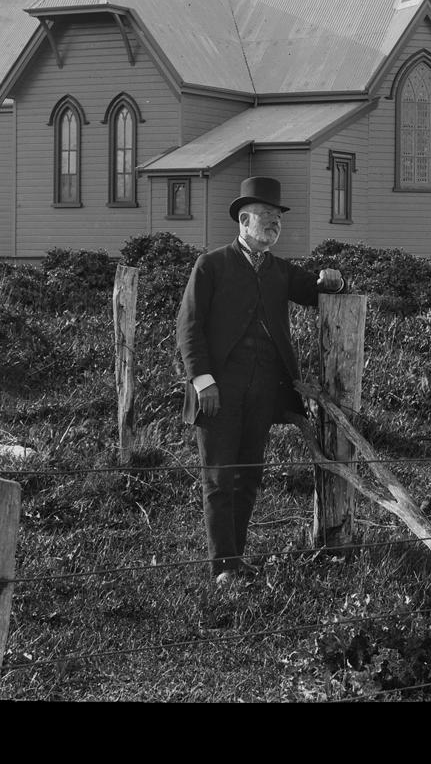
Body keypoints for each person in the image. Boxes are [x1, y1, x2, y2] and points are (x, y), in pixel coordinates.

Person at [175, 176, 344, 590]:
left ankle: (236, 561)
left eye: (278, 217)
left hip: (263, 392)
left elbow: (318, 291)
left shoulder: (279, 270)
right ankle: (223, 567)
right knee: (219, 478)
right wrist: (203, 381)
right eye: (266, 215)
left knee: (248, 476)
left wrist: (335, 281)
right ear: (244, 220)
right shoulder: (211, 265)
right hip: (217, 392)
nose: (275, 223)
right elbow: (188, 326)